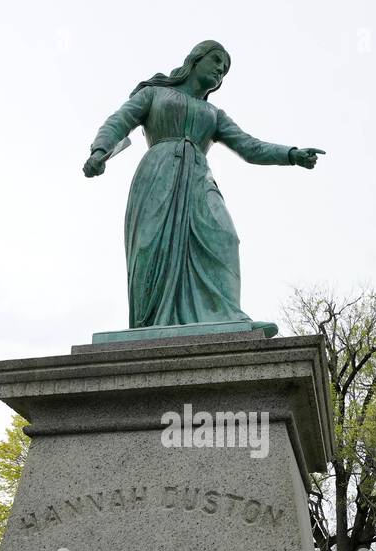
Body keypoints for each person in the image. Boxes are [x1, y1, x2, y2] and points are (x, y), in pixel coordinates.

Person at [83, 40, 324, 332]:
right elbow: (118, 122)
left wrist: (291, 154)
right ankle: (151, 325)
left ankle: (226, 317)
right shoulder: (154, 93)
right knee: (150, 248)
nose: (221, 70)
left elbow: (249, 147)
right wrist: (101, 151)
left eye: (225, 70)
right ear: (195, 60)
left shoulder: (214, 115)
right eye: (216, 61)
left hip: (198, 179)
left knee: (223, 234)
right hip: (157, 175)